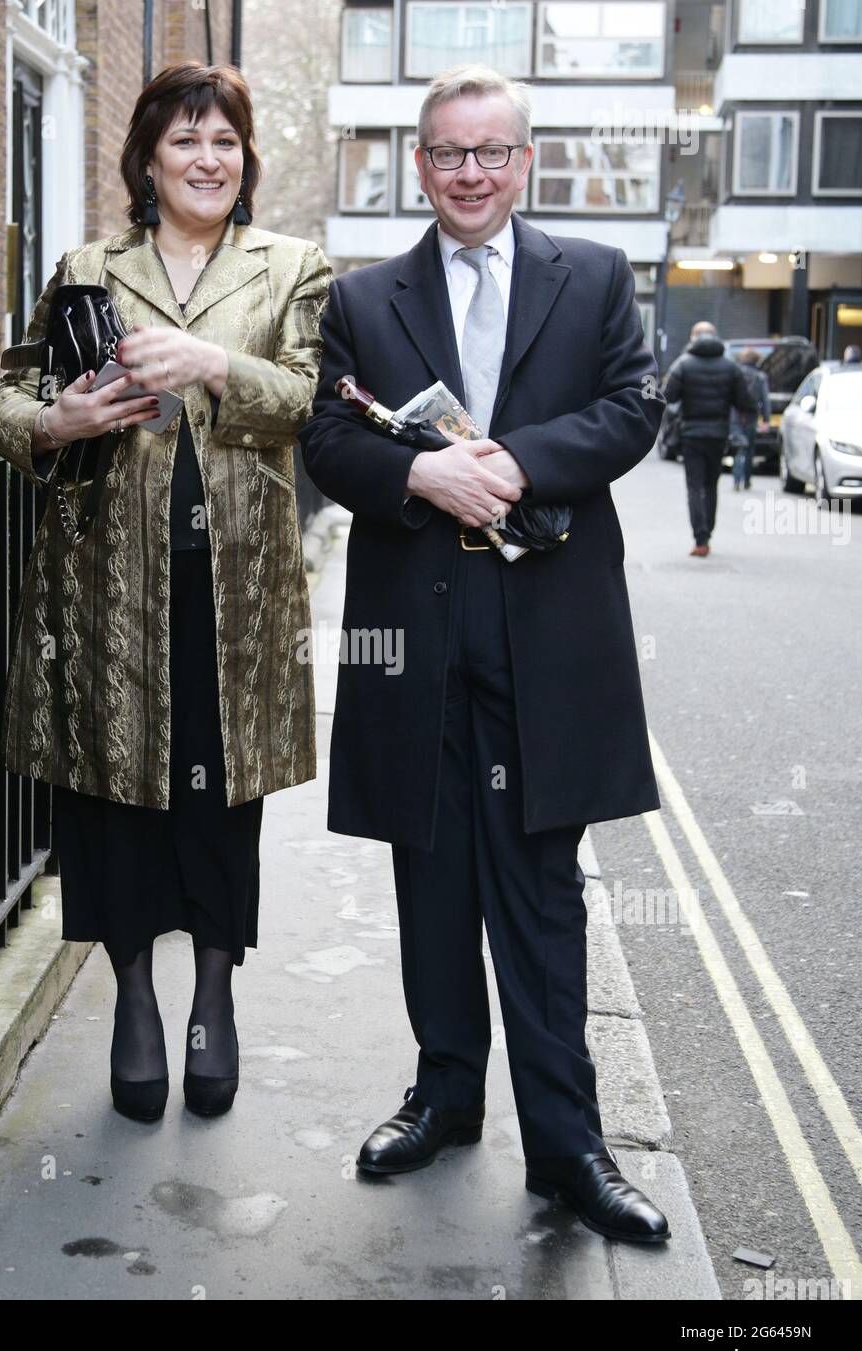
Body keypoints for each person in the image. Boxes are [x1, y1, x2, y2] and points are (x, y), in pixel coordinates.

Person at [300, 65, 669, 1243]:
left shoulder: (595, 276)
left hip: (546, 641)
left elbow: (630, 408)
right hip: (415, 635)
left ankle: (568, 1148)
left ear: (524, 161)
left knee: (541, 893)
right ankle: (444, 1096)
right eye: (446, 154)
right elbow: (321, 436)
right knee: (430, 880)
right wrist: (416, 470)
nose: (469, 173)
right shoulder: (363, 298)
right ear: (418, 164)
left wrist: (508, 460)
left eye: (490, 153)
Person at [0, 62, 331, 1124]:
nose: (206, 159)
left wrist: (210, 362)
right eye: (184, 141)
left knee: (220, 800)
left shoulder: (292, 268)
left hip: (236, 588)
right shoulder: (88, 264)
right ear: (145, 158)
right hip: (107, 586)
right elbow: (9, 391)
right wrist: (54, 423)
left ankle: (211, 1001)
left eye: (224, 141)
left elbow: (310, 405)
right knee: (113, 799)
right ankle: (135, 997)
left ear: (245, 160)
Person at [662, 321, 755, 554]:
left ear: (693, 338)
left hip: (691, 434)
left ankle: (699, 538)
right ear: (717, 337)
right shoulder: (730, 366)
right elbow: (745, 400)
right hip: (718, 435)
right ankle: (708, 533)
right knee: (711, 485)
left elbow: (666, 397)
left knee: (694, 486)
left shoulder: (683, 364)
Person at [729, 348, 770, 491]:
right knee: (749, 449)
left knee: (739, 447)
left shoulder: (735, 373)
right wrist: (766, 419)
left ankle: (736, 480)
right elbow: (765, 399)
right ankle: (746, 480)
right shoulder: (760, 376)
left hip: (735, 415)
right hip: (752, 415)